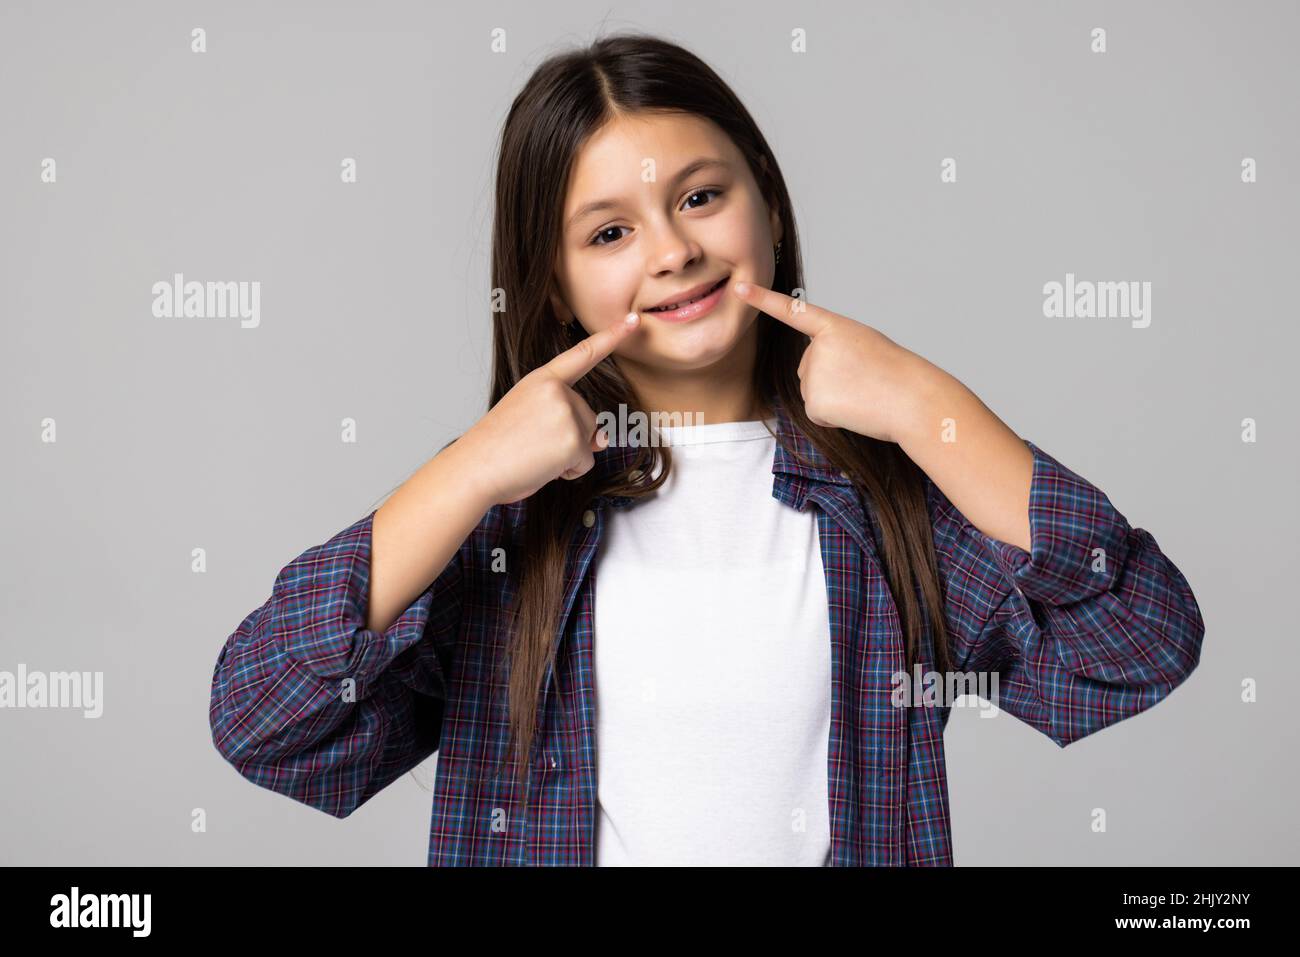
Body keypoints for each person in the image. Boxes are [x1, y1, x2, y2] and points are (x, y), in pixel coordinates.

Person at [208, 32, 1206, 866]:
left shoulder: (892, 495)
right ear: (551, 282)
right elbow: (266, 722)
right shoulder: (507, 515)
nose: (672, 252)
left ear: (764, 197)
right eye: (607, 234)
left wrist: (927, 405)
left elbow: (1138, 650)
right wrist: (467, 468)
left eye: (698, 197)